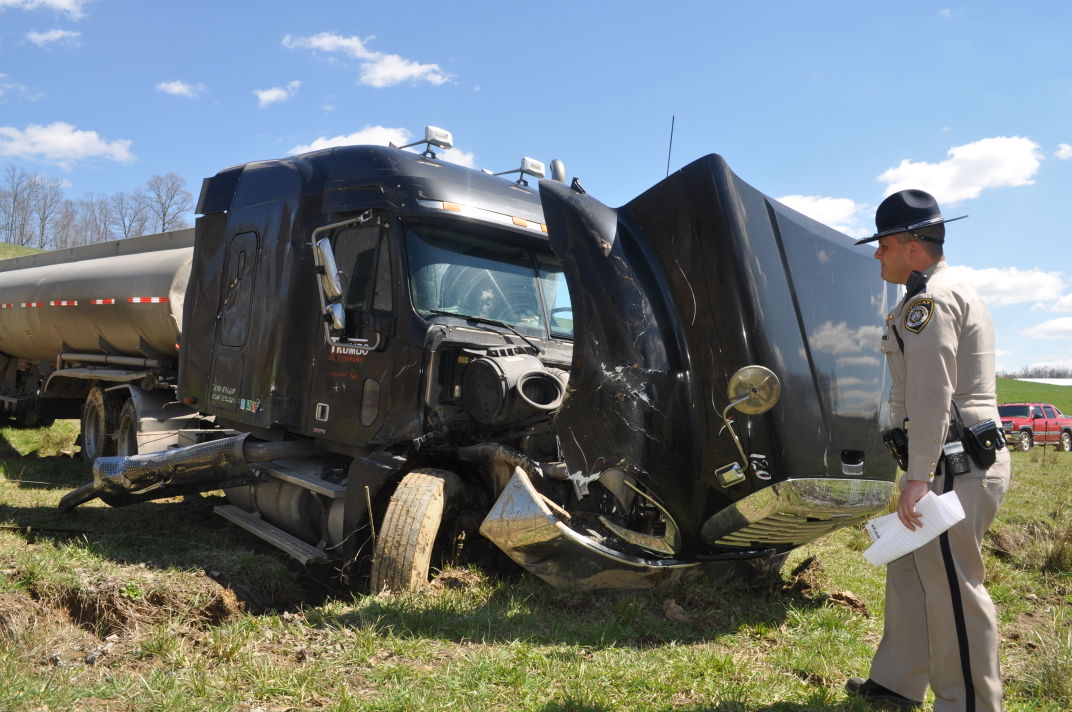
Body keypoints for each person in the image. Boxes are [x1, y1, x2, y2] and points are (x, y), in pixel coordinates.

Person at [846, 189, 1011, 711]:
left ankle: (969, 704)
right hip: (945, 458)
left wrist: (918, 476)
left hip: (950, 461)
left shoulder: (929, 300)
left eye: (884, 244)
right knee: (911, 570)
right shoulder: (932, 292)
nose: (877, 254)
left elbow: (932, 392)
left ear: (912, 247)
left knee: (953, 589)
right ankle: (898, 681)